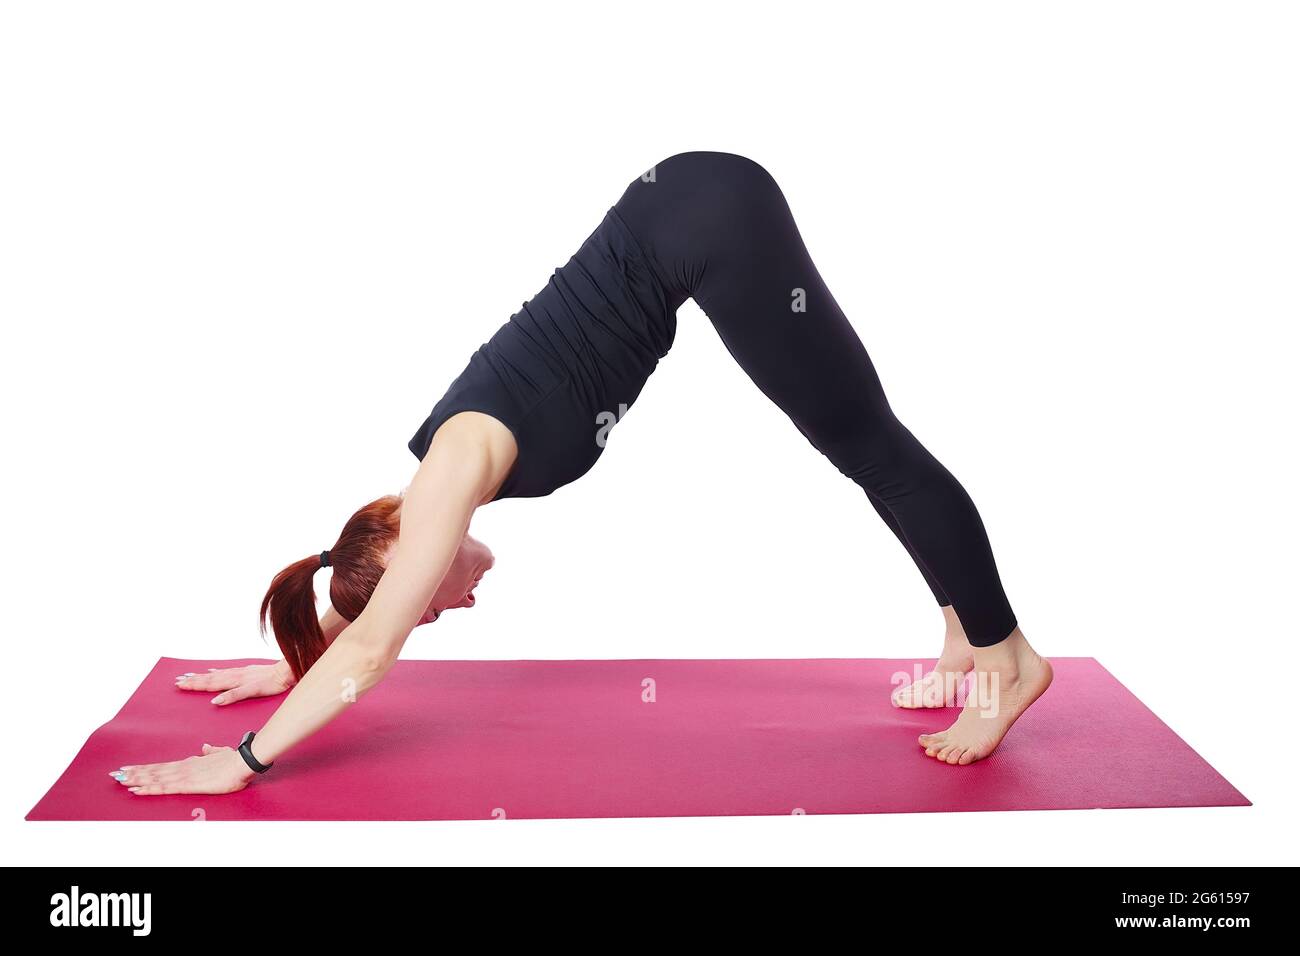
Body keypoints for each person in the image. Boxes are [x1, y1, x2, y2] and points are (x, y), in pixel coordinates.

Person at [113, 152, 1051, 796]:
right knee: (864, 447)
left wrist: (244, 760)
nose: (452, 608)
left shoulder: (450, 477)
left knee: (870, 449)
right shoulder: (429, 486)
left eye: (432, 605)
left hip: (709, 222)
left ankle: (1010, 658)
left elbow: (372, 652)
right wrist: (291, 659)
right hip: (687, 204)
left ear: (409, 551)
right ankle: (962, 632)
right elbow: (369, 585)